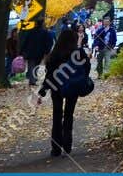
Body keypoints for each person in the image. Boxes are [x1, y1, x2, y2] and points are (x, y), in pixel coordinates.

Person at [37, 23, 92, 157]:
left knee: (57, 116)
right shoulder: (78, 53)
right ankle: (67, 144)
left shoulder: (54, 54)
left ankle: (56, 148)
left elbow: (49, 74)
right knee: (69, 115)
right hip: (73, 87)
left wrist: (43, 90)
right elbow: (87, 67)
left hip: (56, 87)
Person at [18, 18, 52, 87]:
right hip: (40, 52)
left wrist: (22, 51)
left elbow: (25, 41)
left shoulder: (31, 31)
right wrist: (47, 51)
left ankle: (32, 79)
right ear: (42, 24)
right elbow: (49, 42)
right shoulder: (45, 32)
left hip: (30, 51)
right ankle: (33, 79)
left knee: (31, 66)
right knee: (36, 65)